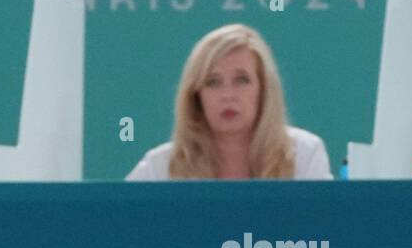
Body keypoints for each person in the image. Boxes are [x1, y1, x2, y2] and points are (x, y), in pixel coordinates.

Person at [126, 24, 331, 181]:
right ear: (196, 95)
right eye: (213, 82)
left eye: (242, 80)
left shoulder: (303, 153)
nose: (228, 95)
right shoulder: (159, 168)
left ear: (264, 89)